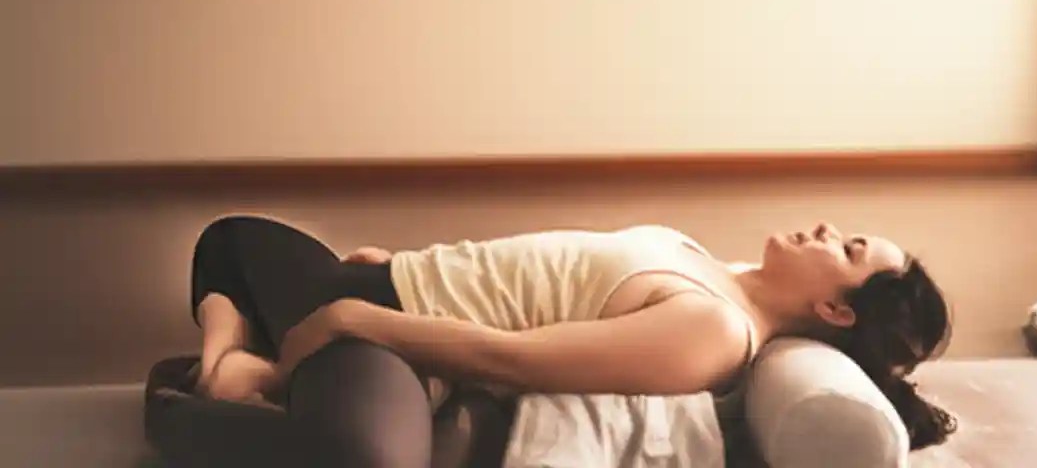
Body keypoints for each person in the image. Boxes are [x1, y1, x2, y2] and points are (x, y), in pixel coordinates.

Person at [188, 214, 954, 466]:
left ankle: (247, 369)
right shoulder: (708, 262)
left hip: (398, 343)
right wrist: (396, 266)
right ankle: (235, 360)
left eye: (848, 248)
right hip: (390, 288)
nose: (825, 228)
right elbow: (536, 273)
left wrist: (355, 320)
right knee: (229, 238)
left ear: (836, 310)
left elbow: (513, 359)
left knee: (366, 459)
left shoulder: (716, 329)